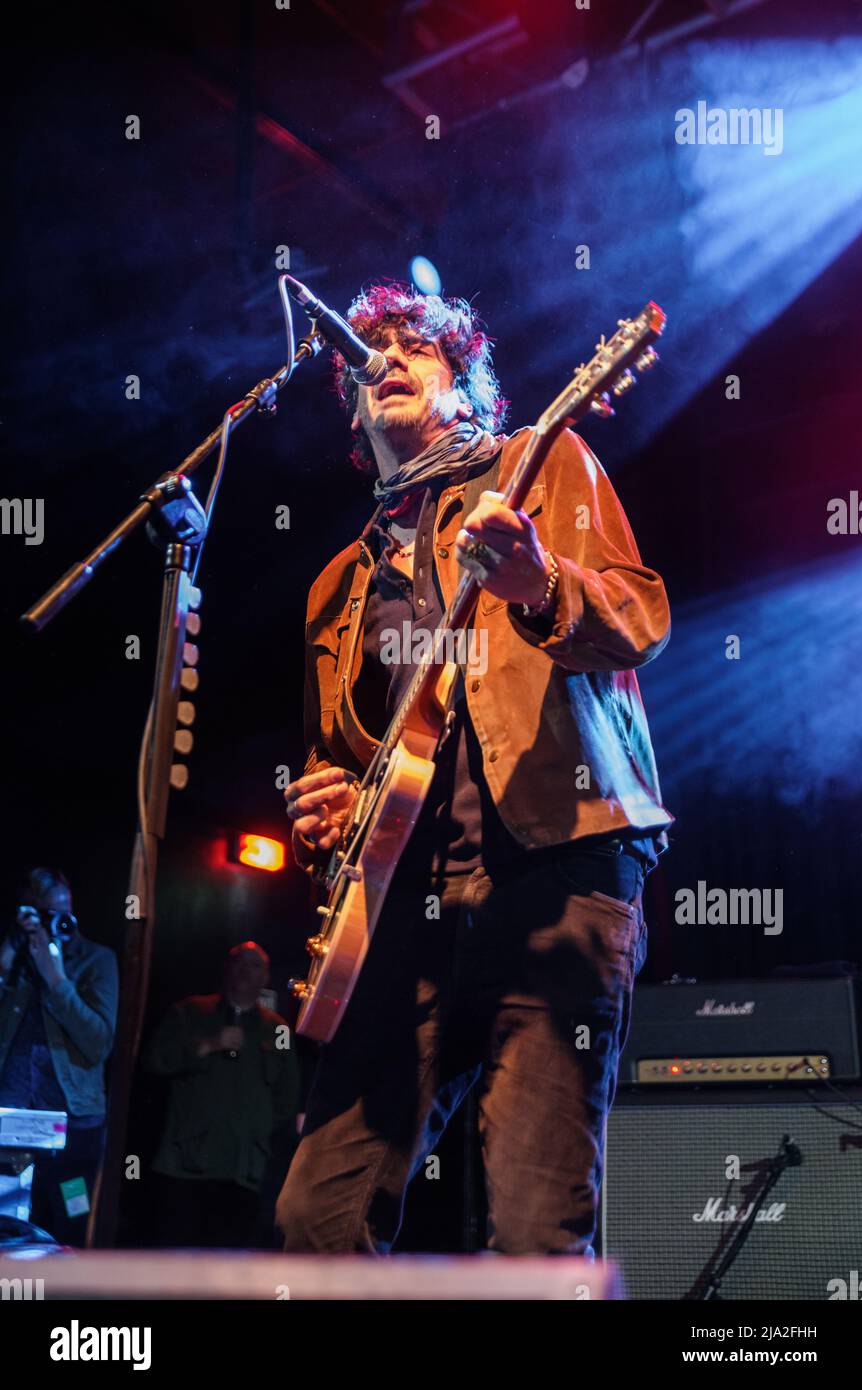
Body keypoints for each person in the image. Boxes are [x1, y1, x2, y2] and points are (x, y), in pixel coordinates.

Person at [278, 283, 673, 1255]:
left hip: (554, 879)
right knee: (313, 1220)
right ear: (356, 407)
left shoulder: (540, 465)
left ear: (469, 389)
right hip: (400, 921)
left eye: (418, 346)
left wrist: (537, 581)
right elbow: (352, 766)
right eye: (372, 354)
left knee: (535, 1234)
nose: (390, 360)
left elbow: (638, 619)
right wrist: (321, 812)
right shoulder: (340, 580)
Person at [144, 941, 299, 1248]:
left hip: (243, 1171)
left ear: (266, 977)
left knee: (228, 1265)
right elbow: (155, 1061)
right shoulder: (190, 1012)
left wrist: (257, 1130)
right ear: (227, 968)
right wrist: (207, 1045)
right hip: (186, 1165)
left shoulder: (277, 1030)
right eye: (239, 961)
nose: (246, 970)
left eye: (255, 965)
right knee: (177, 1260)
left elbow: (288, 1096)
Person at [0, 867, 118, 1245]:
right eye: (43, 913)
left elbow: (99, 1043)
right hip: (11, 1125)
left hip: (73, 1128)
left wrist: (56, 980)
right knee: (9, 1225)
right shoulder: (12, 958)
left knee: (72, 1218)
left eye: (61, 912)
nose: (56, 922)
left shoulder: (95, 960)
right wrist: (5, 967)